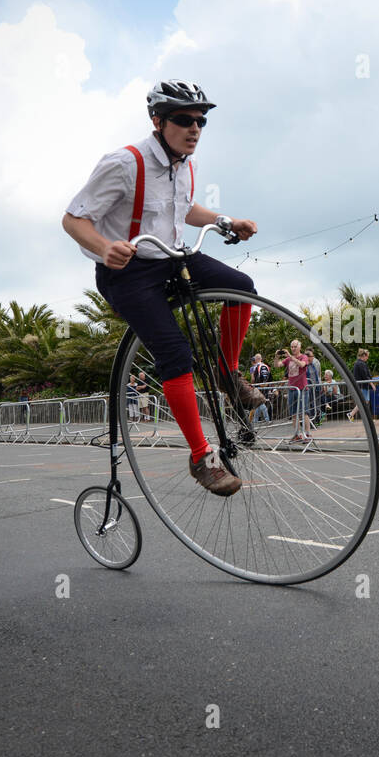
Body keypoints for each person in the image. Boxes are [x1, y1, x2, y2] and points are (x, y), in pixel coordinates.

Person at [62, 80, 261, 496]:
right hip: (129, 271)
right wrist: (105, 247)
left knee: (241, 286)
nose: (195, 129)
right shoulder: (124, 163)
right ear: (158, 120)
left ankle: (227, 375)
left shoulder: (183, 163)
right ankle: (201, 457)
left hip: (171, 259)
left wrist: (225, 221)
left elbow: (185, 209)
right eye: (185, 120)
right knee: (175, 354)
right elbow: (74, 219)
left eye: (201, 121)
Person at [278, 340, 311, 441]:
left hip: (302, 389)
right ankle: (297, 434)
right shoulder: (288, 359)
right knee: (293, 413)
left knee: (304, 412)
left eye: (295, 346)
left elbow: (302, 365)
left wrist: (291, 357)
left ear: (299, 347)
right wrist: (277, 356)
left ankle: (307, 434)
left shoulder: (303, 357)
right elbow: (277, 365)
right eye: (291, 347)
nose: (293, 349)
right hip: (292, 389)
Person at [347, 348, 372, 422]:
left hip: (362, 385)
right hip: (362, 385)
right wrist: (371, 384)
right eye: (367, 356)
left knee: (365, 401)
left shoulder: (359, 363)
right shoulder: (360, 364)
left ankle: (352, 414)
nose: (367, 358)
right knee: (363, 402)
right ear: (364, 355)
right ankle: (351, 414)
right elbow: (365, 376)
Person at [304, 347, 323, 425]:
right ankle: (312, 420)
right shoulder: (305, 364)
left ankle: (316, 419)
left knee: (316, 403)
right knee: (311, 404)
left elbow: (318, 374)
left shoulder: (314, 363)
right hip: (309, 387)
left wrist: (319, 384)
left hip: (315, 386)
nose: (313, 357)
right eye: (312, 356)